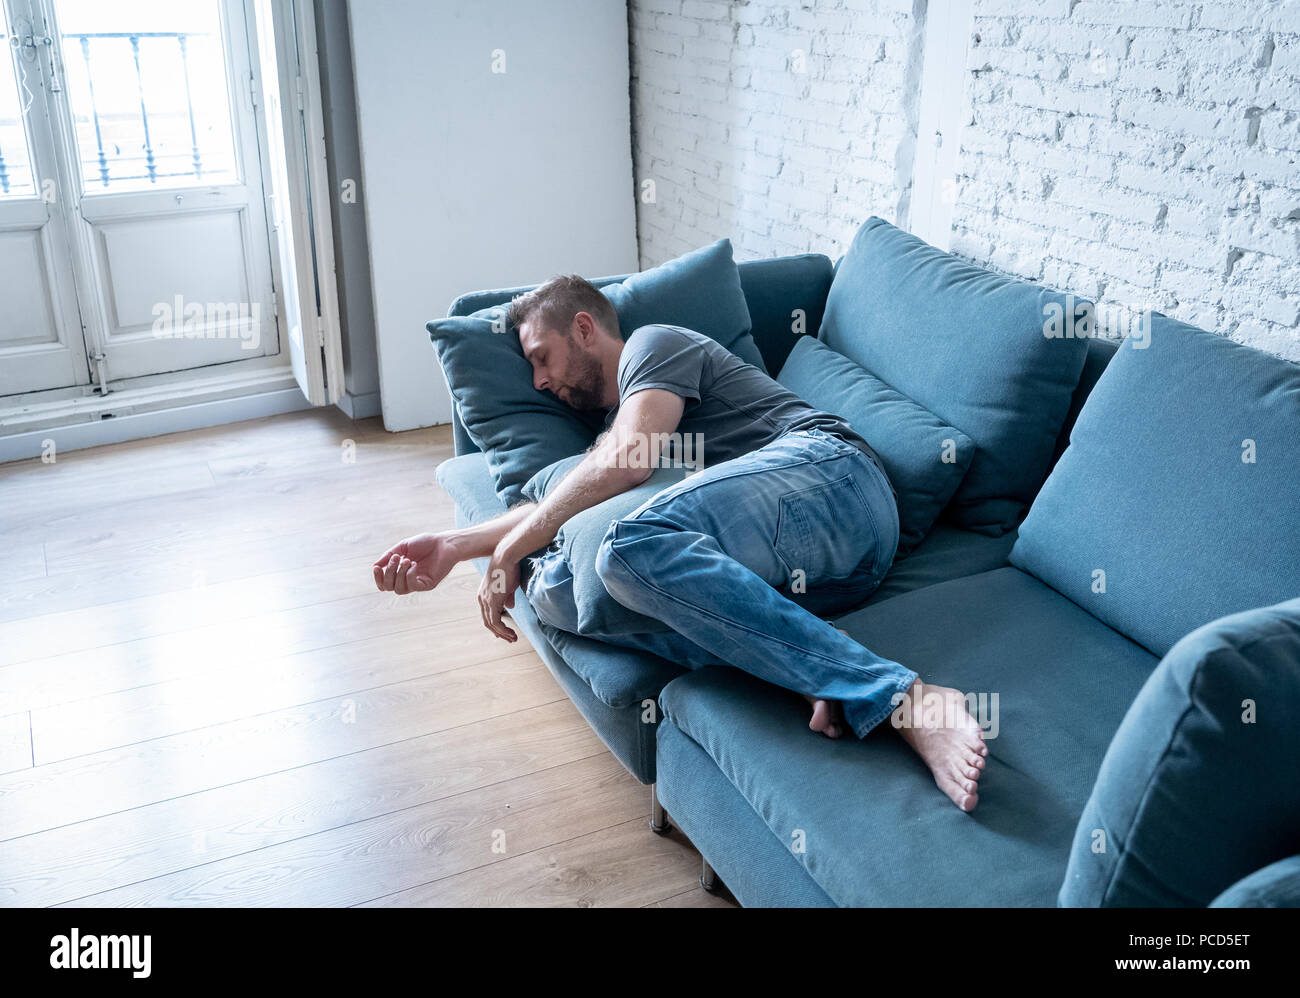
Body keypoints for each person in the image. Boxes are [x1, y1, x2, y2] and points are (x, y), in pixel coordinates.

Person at [374, 275, 988, 811]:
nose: (537, 382)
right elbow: (563, 499)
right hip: (820, 575)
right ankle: (815, 662)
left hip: (836, 480)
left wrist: (510, 551)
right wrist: (455, 546)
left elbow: (628, 461)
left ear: (584, 327)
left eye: (541, 357)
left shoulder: (654, 345)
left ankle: (902, 695)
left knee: (625, 547)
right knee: (565, 593)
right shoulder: (611, 433)